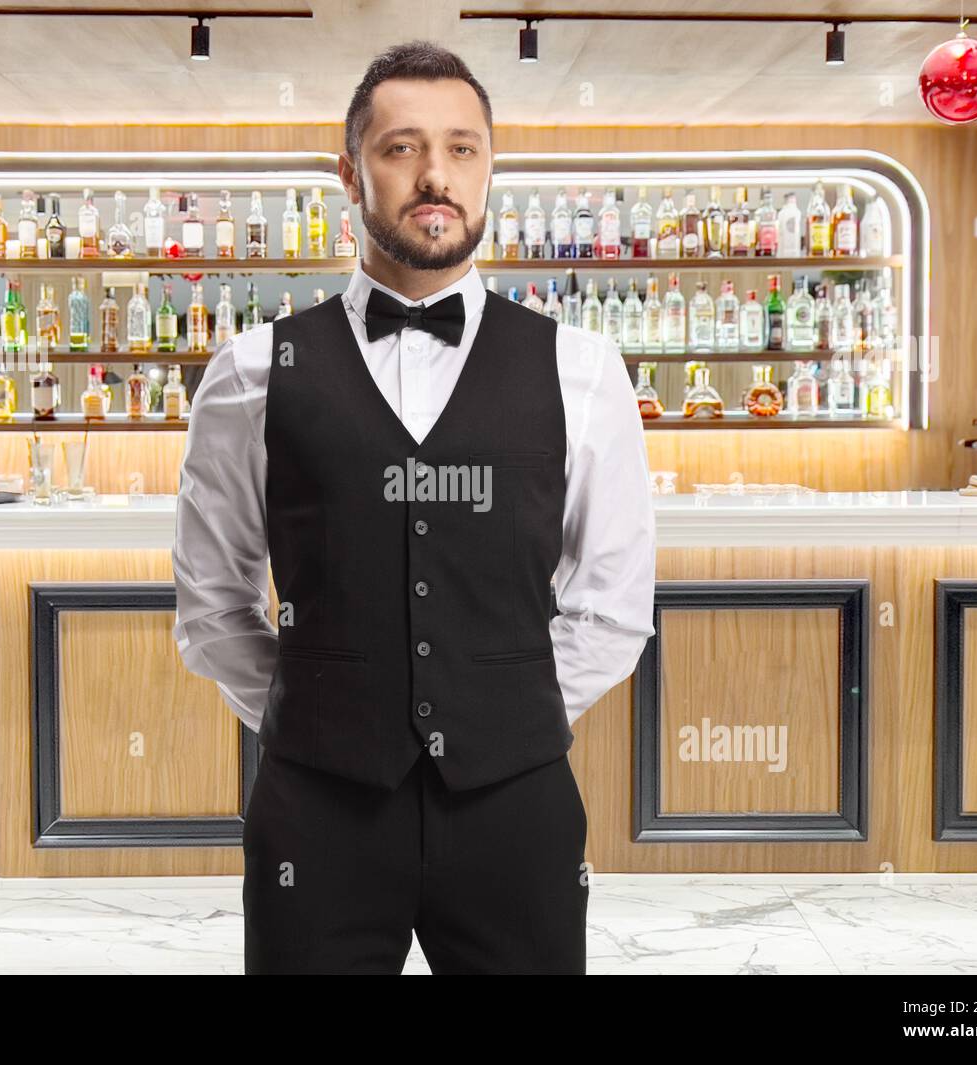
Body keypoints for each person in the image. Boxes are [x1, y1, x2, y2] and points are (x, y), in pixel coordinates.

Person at [172, 39, 655, 974]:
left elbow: (613, 602)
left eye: (463, 149)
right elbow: (213, 609)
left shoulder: (582, 371)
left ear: (490, 170)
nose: (436, 174)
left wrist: (498, 713)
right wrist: (319, 708)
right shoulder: (250, 374)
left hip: (515, 807)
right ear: (347, 173)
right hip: (318, 812)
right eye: (402, 148)